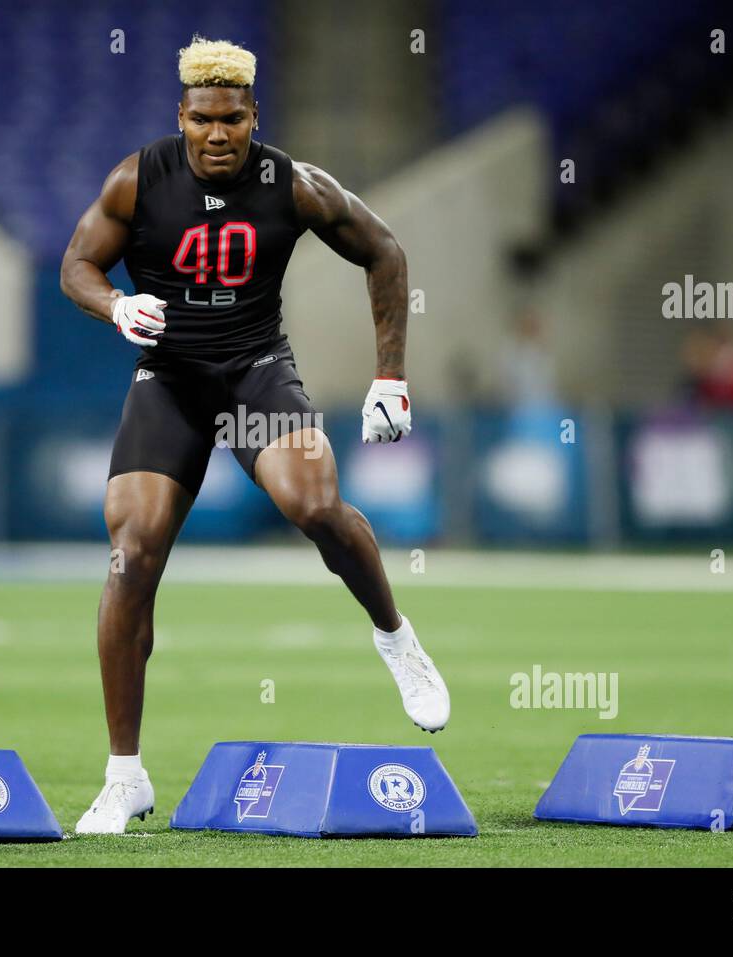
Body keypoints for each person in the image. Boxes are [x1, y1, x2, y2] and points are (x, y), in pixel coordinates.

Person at [60, 36, 450, 834]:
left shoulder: (292, 184)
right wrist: (115, 307)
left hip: (254, 370)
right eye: (202, 120)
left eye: (232, 120)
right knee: (131, 552)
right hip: (168, 379)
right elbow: (76, 265)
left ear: (252, 118)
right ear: (181, 116)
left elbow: (384, 250)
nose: (216, 135)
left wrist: (390, 376)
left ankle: (396, 637)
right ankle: (124, 774)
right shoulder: (137, 180)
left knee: (314, 503)